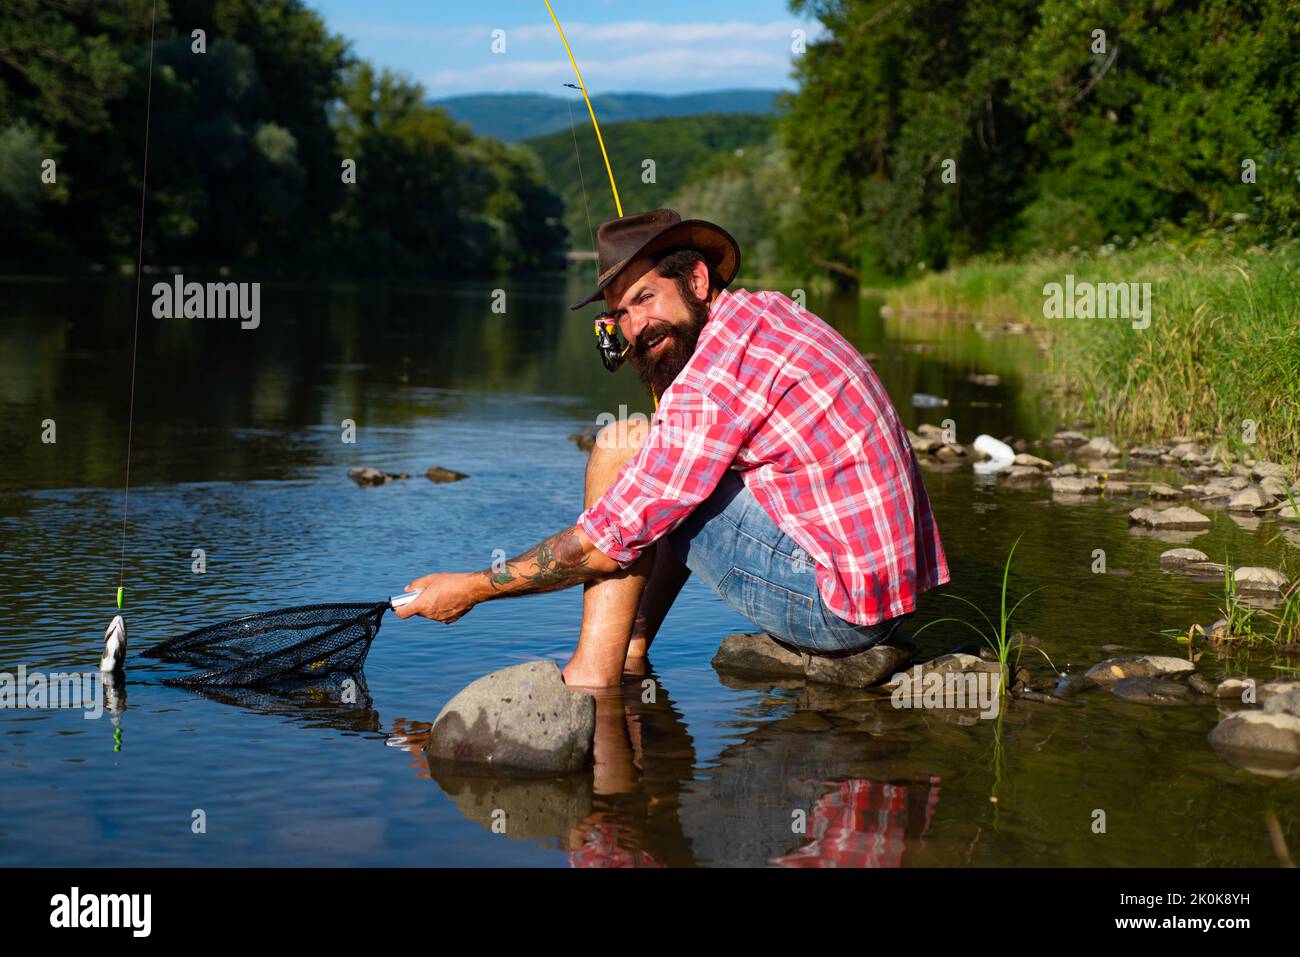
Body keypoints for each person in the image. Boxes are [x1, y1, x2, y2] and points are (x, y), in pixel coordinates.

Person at [395, 208, 949, 688]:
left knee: (622, 448)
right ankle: (632, 652)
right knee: (663, 466)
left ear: (698, 280)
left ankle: (592, 674)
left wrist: (470, 587)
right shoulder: (762, 315)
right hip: (876, 588)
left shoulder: (712, 381)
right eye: (619, 313)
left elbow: (603, 543)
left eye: (646, 297)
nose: (634, 326)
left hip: (841, 609)